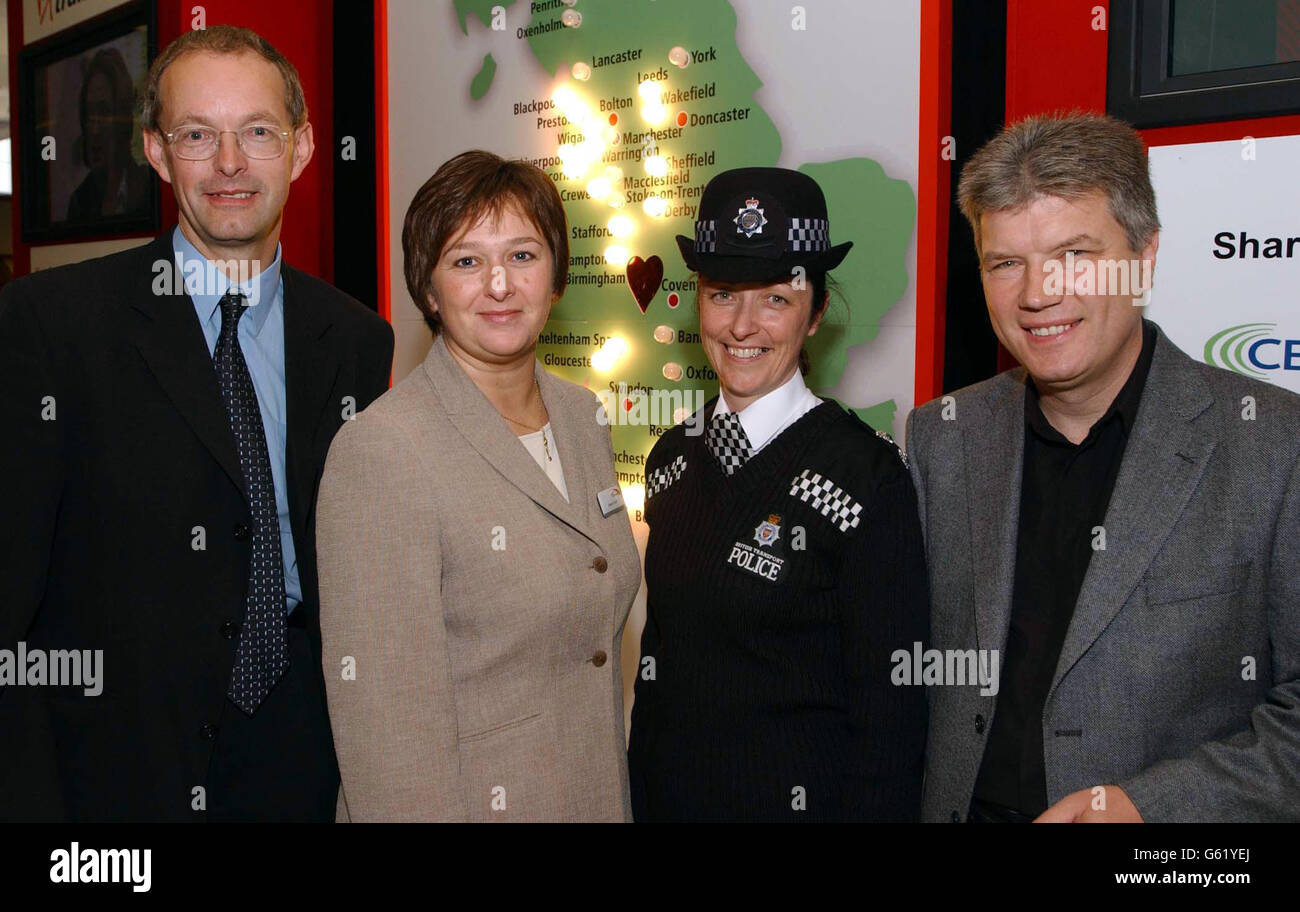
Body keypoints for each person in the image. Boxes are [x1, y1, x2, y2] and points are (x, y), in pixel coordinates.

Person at [0, 25, 394, 822]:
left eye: (257, 132)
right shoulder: (51, 324)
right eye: (196, 135)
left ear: (305, 146)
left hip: (299, 760)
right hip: (112, 768)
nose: (229, 163)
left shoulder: (356, 340)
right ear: (155, 151)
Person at [907, 112, 1300, 823]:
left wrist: (1150, 808)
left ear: (1144, 258)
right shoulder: (943, 437)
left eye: (1075, 255)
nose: (1037, 294)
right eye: (1005, 263)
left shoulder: (1275, 447)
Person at [316, 150, 642, 822]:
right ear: (429, 290)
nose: (500, 284)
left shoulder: (582, 416)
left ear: (556, 275)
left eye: (523, 255)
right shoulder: (382, 451)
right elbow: (389, 737)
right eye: (466, 261)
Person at [627, 167, 930, 821]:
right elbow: (662, 675)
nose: (742, 325)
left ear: (817, 312)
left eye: (775, 299)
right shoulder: (670, 460)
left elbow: (891, 728)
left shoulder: (868, 479)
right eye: (723, 293)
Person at [66, 46, 152, 222]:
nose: (95, 130)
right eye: (89, 115)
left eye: (104, 112)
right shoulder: (79, 202)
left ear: (124, 118)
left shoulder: (150, 187)